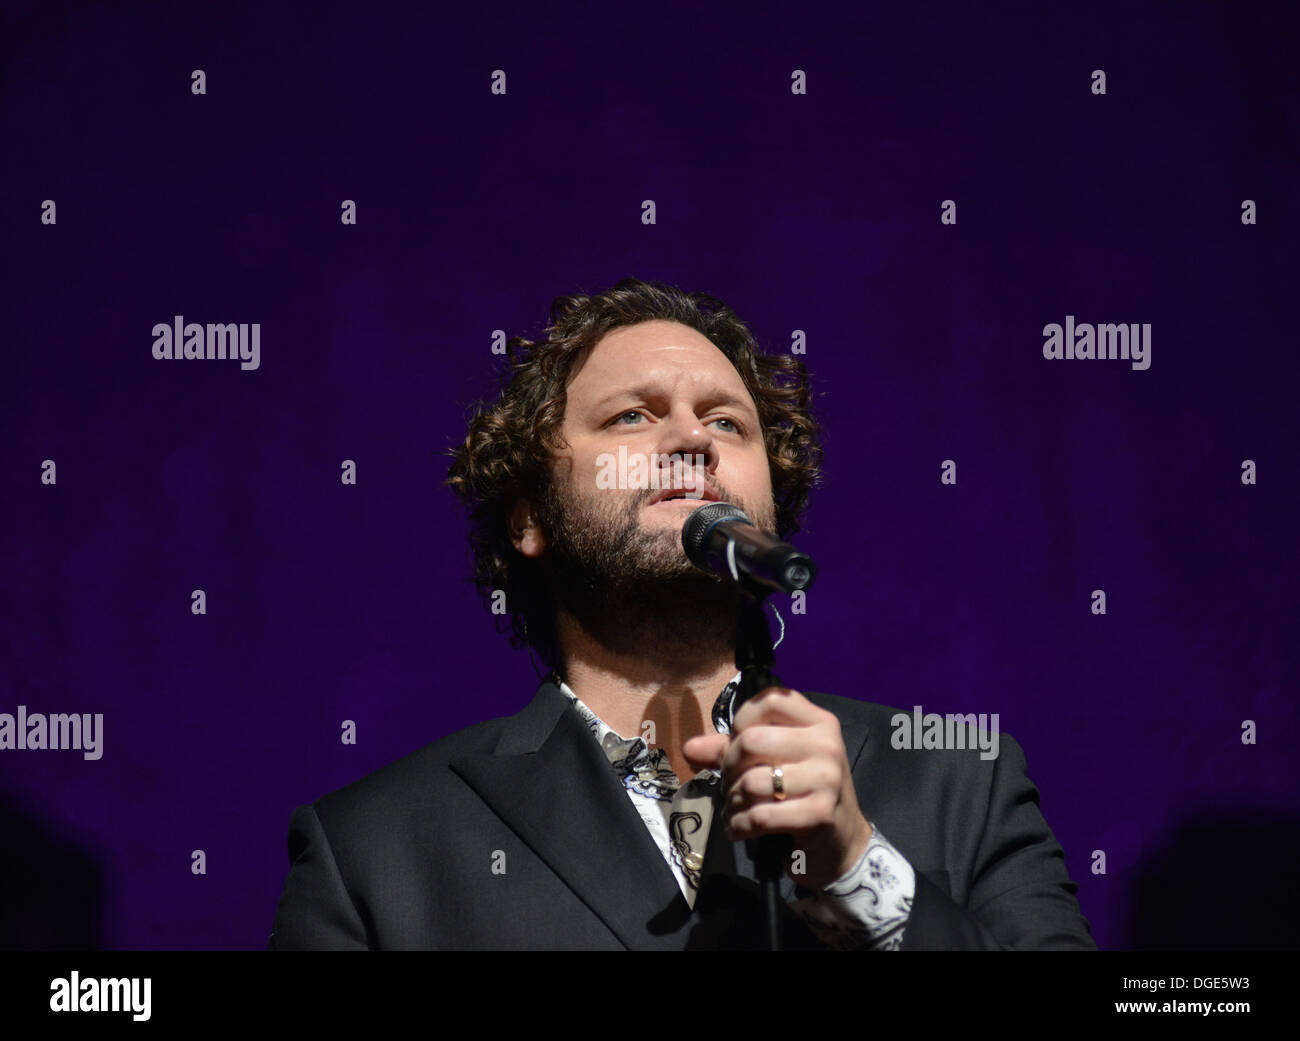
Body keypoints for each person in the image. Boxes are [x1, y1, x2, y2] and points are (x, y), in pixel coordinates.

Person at [267, 277, 1095, 950]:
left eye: (727, 422)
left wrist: (857, 870)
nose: (691, 439)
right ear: (529, 518)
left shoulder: (961, 781)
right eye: (633, 415)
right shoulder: (377, 853)